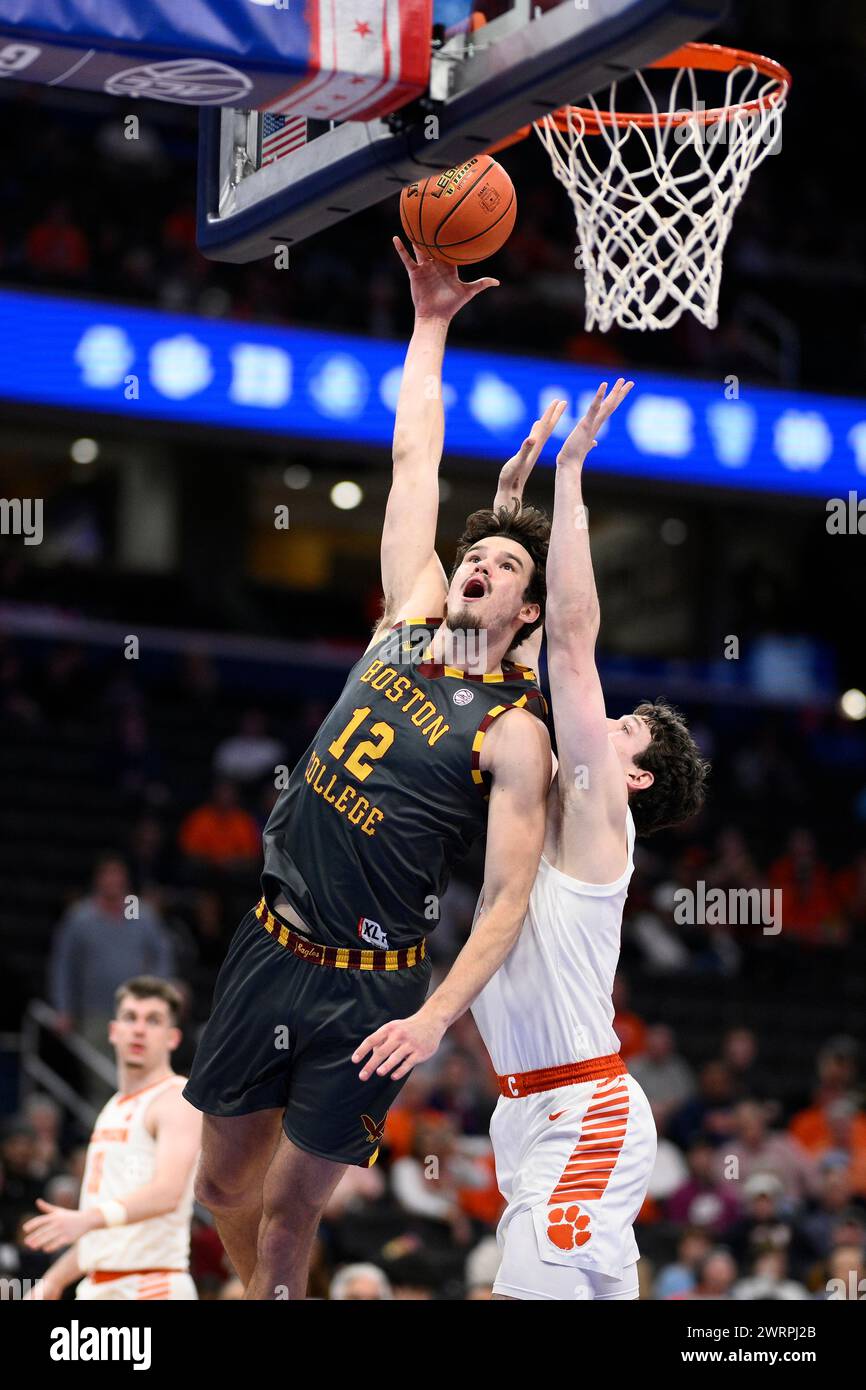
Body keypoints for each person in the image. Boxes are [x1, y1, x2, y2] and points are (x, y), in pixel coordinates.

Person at [185, 243, 555, 1300]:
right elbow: (412, 462)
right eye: (475, 553)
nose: (477, 564)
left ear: (523, 610)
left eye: (504, 566)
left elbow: (506, 900)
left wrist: (436, 1016)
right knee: (223, 1182)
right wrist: (429, 323)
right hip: (270, 942)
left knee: (296, 1208)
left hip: (368, 989)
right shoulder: (408, 615)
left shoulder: (511, 729)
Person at [464, 383, 709, 1300]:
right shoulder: (565, 799)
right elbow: (520, 633)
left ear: (635, 777)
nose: (601, 721)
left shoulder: (600, 808)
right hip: (527, 1111)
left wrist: (572, 477)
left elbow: (568, 641)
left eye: (624, 728)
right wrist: (509, 511)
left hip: (582, 1109)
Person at [23, 977, 201, 1301]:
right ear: (113, 1031)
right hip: (98, 1285)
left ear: (173, 1038)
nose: (139, 1029)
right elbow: (104, 1232)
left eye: (153, 1020)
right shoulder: (112, 1108)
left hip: (152, 1285)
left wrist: (86, 1220)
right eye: (131, 1017)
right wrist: (52, 1281)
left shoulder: (176, 1098)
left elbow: (167, 1193)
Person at [49, 856, 175, 1105]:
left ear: (125, 879)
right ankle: (102, 1133)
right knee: (99, 1078)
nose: (112, 881)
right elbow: (63, 965)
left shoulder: (135, 909)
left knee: (138, 1075)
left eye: (117, 874)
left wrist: (161, 992)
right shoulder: (82, 916)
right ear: (98, 880)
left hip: (137, 1013)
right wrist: (63, 1008)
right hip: (94, 1011)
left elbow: (161, 951)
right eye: (107, 874)